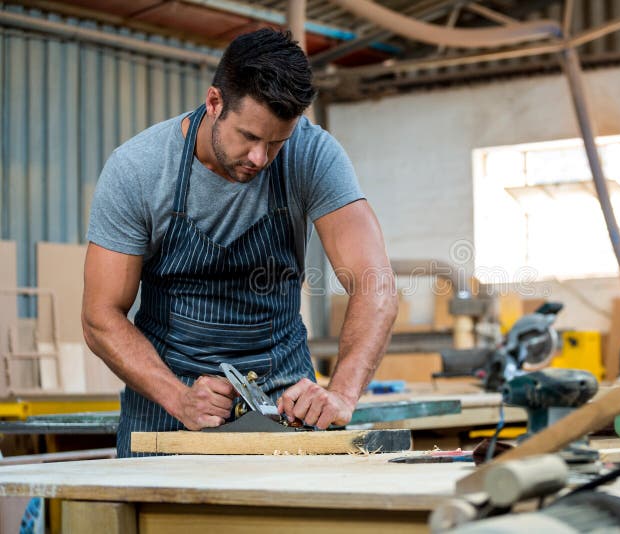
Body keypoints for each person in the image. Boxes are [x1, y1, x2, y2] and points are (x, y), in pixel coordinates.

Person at [81, 29, 398, 457]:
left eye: (276, 142)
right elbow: (101, 316)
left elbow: (374, 283)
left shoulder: (312, 155)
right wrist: (179, 398)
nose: (259, 159)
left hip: (286, 403)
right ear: (214, 103)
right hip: (170, 403)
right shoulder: (139, 169)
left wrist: (341, 393)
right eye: (249, 136)